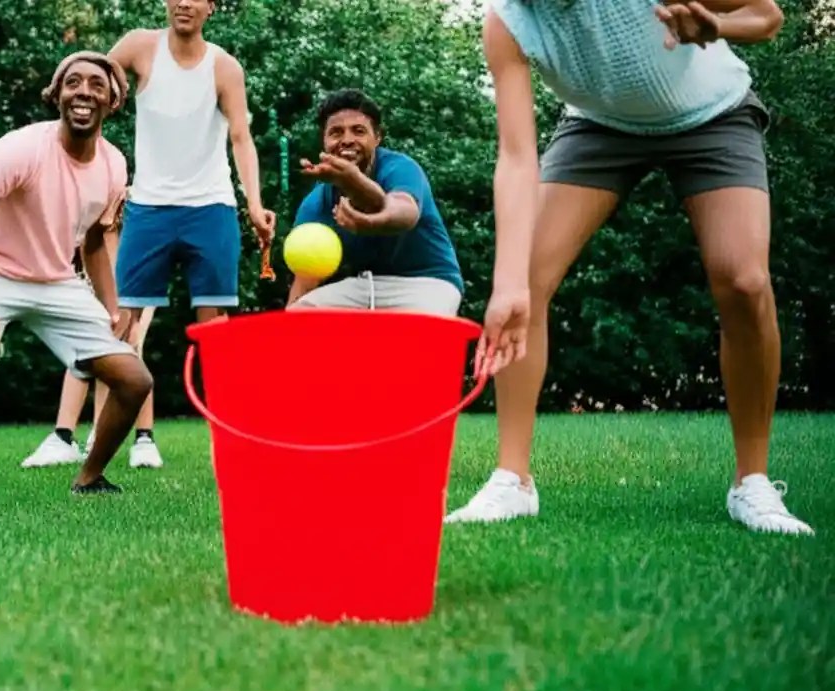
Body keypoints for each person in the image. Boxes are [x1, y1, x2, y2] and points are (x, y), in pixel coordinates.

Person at [452, 0, 811, 535]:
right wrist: (507, 285)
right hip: (599, 127)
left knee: (744, 280)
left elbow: (768, 16)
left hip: (714, 115)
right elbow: (517, 157)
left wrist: (718, 26)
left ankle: (752, 482)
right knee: (523, 277)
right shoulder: (509, 21)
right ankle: (512, 480)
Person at [0, 51, 154, 519]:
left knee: (134, 379)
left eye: (96, 85)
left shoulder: (114, 164)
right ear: (56, 95)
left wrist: (113, 310)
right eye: (73, 83)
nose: (84, 92)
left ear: (113, 102)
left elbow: (93, 241)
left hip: (56, 282)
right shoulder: (24, 148)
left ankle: (89, 479)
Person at [107, 0, 277, 328]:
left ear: (211, 6)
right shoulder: (139, 46)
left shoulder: (225, 68)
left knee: (213, 324)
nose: (184, 3)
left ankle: (212, 366)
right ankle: (120, 365)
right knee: (122, 317)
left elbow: (241, 138)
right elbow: (92, 80)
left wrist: (255, 205)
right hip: (149, 206)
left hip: (210, 207)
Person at [286, 89, 463, 314]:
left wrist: (367, 215)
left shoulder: (400, 168)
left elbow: (405, 211)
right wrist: (288, 325)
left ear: (377, 138)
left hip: (427, 282)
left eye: (358, 131)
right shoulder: (315, 204)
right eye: (336, 132)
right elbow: (306, 278)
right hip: (363, 286)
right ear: (324, 140)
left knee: (417, 331)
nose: (347, 140)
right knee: (302, 312)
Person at [22, 205, 163, 470]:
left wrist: (137, 320)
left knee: (131, 347)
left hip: (140, 291)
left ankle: (144, 439)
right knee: (89, 350)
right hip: (102, 292)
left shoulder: (141, 216)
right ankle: (66, 438)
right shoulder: (90, 218)